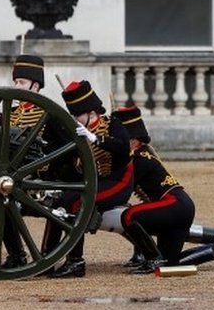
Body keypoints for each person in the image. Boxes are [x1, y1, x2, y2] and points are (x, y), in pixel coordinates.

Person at [113, 106, 214, 274]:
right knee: (167, 263)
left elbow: (120, 189)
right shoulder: (142, 155)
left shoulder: (138, 159)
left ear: (133, 140)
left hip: (174, 206)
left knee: (129, 216)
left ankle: (149, 258)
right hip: (180, 208)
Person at [46, 80, 133, 278]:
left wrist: (95, 138)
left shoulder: (112, 124)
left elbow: (123, 148)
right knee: (58, 204)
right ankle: (47, 258)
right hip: (94, 184)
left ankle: (76, 262)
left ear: (91, 113)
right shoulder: (77, 131)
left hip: (117, 183)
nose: (74, 119)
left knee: (77, 203)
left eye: (77, 115)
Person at [1, 54, 47, 268]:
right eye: (16, 82)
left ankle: (18, 255)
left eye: (21, 82)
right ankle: (16, 253)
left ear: (35, 86)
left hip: (34, 174)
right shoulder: (11, 113)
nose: (16, 86)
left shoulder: (45, 113)